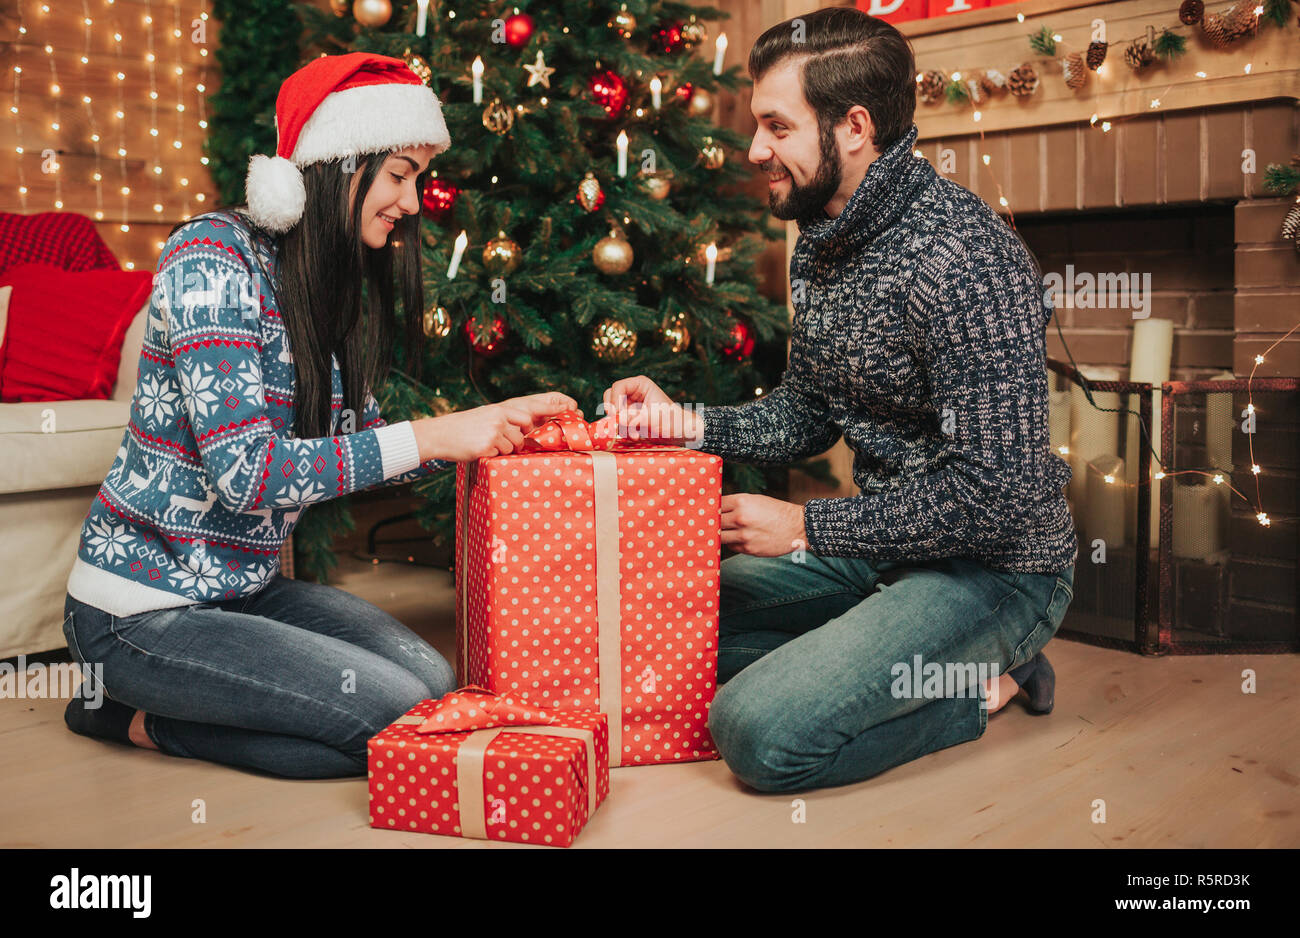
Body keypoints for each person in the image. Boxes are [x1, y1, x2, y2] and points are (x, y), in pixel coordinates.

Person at [61, 52, 577, 779]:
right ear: (340, 162)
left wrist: (489, 425)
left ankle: (166, 710)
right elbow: (248, 475)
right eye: (400, 173)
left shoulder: (317, 287)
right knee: (396, 717)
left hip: (247, 592)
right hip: (141, 611)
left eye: (418, 180)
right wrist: (431, 434)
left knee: (429, 687)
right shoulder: (210, 258)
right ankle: (125, 713)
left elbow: (359, 448)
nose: (411, 199)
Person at [603, 8, 1076, 793]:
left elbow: (1000, 501)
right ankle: (876, 659)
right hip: (877, 548)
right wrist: (678, 421)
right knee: (657, 631)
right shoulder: (823, 235)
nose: (755, 150)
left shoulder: (965, 260)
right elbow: (808, 411)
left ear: (853, 127)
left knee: (757, 732)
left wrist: (803, 526)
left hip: (992, 573)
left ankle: (987, 684)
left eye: (775, 127)